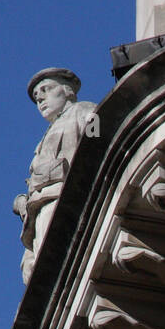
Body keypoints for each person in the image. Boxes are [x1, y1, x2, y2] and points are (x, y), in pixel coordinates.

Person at [14, 69, 97, 284]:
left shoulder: (83, 110)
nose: (40, 98)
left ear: (67, 90)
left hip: (64, 197)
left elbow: (99, 134)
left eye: (46, 89)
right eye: (36, 97)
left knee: (60, 258)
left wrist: (94, 146)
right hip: (41, 206)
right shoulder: (45, 137)